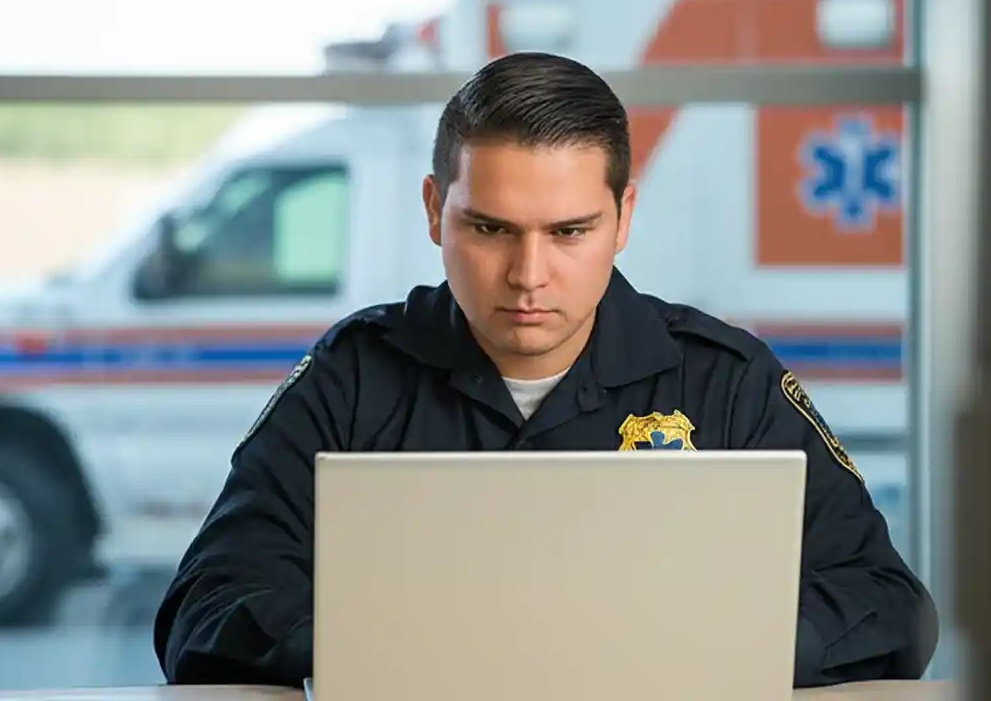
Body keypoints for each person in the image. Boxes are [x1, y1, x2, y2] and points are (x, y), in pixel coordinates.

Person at [152, 51, 939, 689]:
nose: (528, 274)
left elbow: (889, 606)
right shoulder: (351, 378)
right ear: (435, 211)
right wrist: (388, 650)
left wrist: (711, 649)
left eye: (569, 231)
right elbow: (206, 605)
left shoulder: (726, 381)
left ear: (624, 217)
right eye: (490, 228)